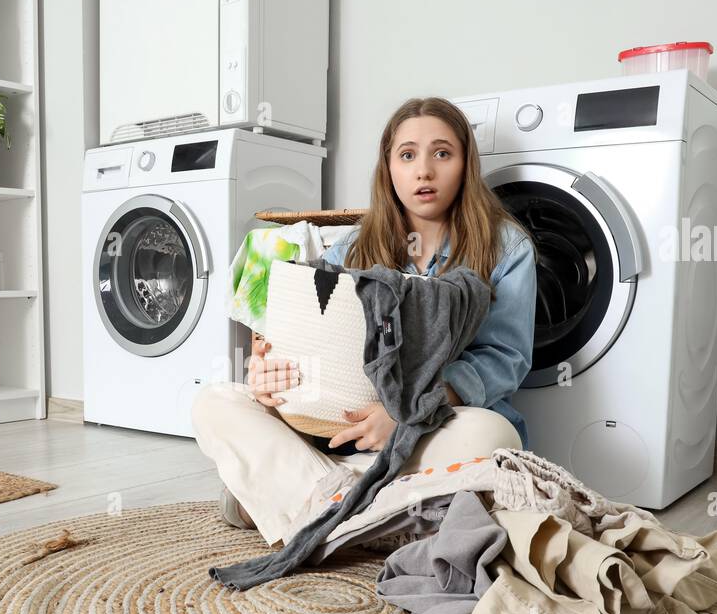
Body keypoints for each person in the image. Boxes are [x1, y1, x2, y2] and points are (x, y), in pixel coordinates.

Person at [191, 96, 537, 548]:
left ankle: (304, 498)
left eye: (442, 153)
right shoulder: (352, 247)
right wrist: (268, 371)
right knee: (215, 402)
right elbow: (303, 339)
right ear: (388, 167)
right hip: (340, 428)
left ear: (465, 164)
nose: (424, 171)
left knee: (495, 436)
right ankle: (364, 504)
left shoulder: (507, 247)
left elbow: (504, 360)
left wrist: (407, 413)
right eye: (407, 155)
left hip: (436, 424)